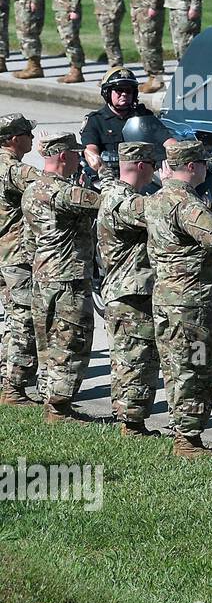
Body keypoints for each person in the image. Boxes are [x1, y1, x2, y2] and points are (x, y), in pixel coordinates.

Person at [144, 139, 212, 459]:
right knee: (195, 367)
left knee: (178, 368)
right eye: (202, 163)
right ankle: (187, 440)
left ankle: (184, 433)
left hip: (167, 298)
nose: (206, 168)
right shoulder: (187, 205)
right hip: (191, 305)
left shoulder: (158, 198)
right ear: (192, 166)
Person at [22, 133, 101, 422]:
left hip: (43, 276)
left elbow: (29, 240)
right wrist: (101, 170)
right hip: (69, 278)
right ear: (64, 156)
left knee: (47, 343)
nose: (80, 159)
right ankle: (59, 408)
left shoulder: (32, 190)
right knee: (70, 342)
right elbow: (105, 201)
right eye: (76, 154)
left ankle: (51, 399)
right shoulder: (65, 193)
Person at [96, 141, 160, 438]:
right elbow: (160, 213)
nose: (157, 171)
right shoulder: (129, 202)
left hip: (119, 289)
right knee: (136, 360)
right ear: (143, 166)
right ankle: (132, 425)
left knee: (125, 358)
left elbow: (108, 177)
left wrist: (101, 169)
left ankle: (126, 418)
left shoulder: (111, 191)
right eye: (154, 165)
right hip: (131, 292)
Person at [0, 115, 40, 405]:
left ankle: (5, 376)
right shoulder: (15, 170)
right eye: (28, 133)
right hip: (14, 254)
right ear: (14, 139)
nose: (33, 139)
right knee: (22, 320)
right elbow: (47, 189)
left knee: (10, 319)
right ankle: (13, 387)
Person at [81, 66, 153, 180]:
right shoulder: (95, 120)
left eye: (128, 91)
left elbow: (164, 141)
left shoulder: (144, 117)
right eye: (119, 90)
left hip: (142, 177)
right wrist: (102, 170)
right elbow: (90, 151)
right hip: (109, 178)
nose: (124, 94)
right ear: (107, 92)